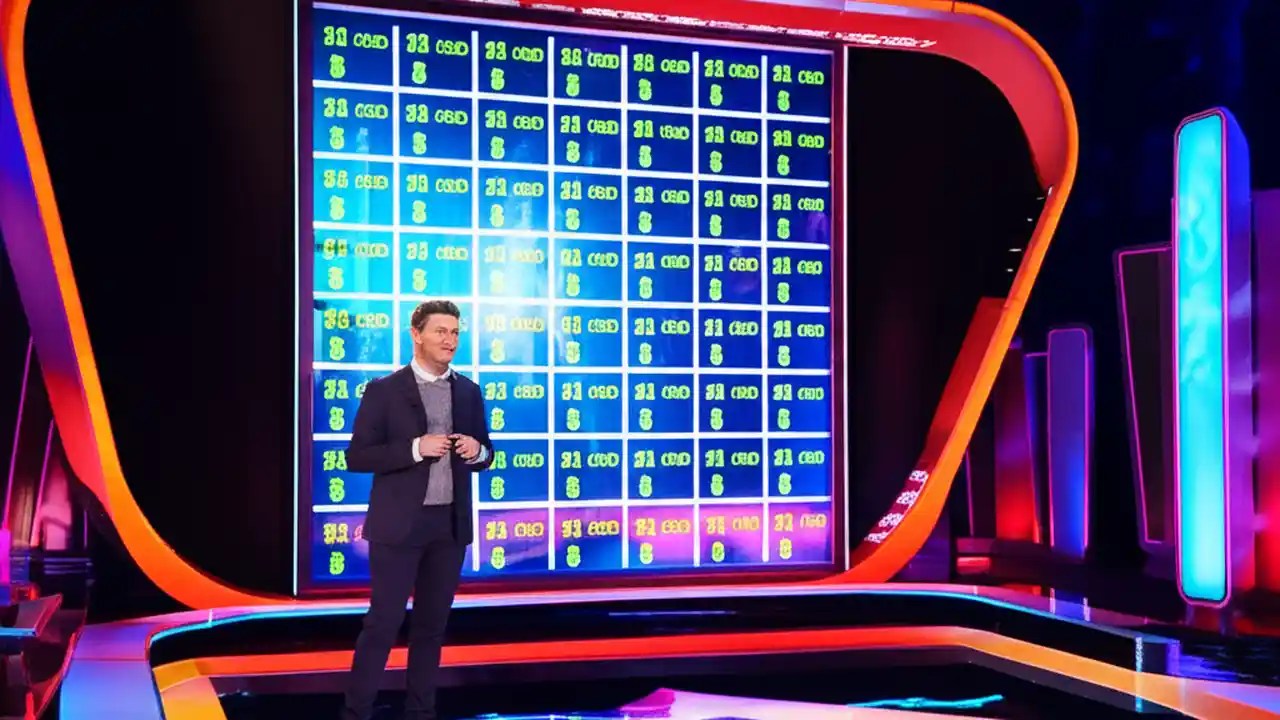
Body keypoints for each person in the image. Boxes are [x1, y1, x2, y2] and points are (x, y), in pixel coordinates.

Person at [342, 299, 494, 720]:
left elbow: (488, 453)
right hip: (398, 530)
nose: (450, 340)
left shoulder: (468, 391)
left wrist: (477, 451)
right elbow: (357, 457)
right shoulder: (384, 392)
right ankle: (356, 714)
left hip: (449, 527)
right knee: (383, 625)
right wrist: (414, 448)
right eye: (441, 331)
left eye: (455, 332)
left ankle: (420, 713)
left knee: (430, 630)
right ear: (417, 334)